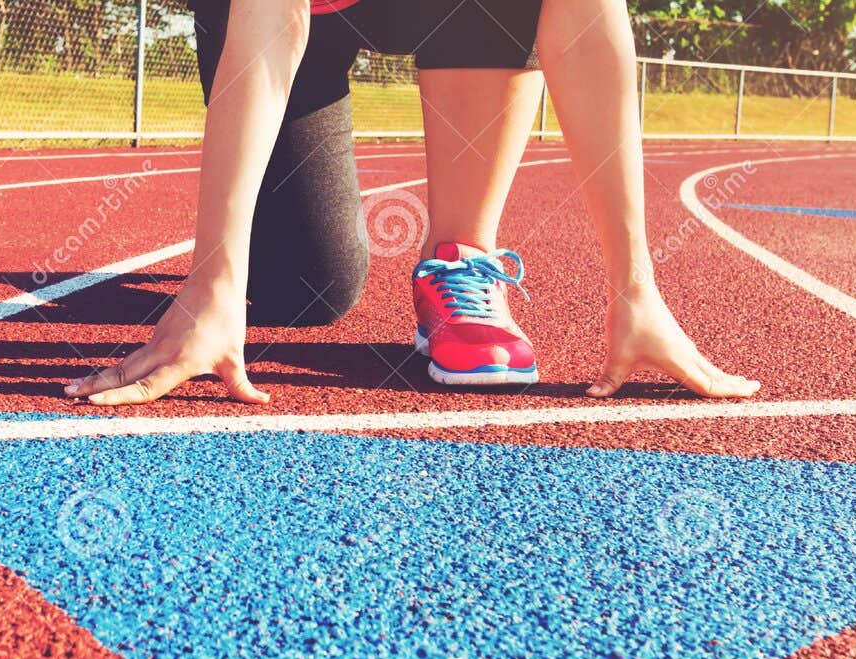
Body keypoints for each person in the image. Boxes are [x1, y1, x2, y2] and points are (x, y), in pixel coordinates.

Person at [64, 0, 759, 405]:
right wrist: (214, 281)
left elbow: (584, 19)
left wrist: (635, 288)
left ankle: (459, 256)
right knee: (310, 287)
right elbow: (268, 20)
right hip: (287, 16)